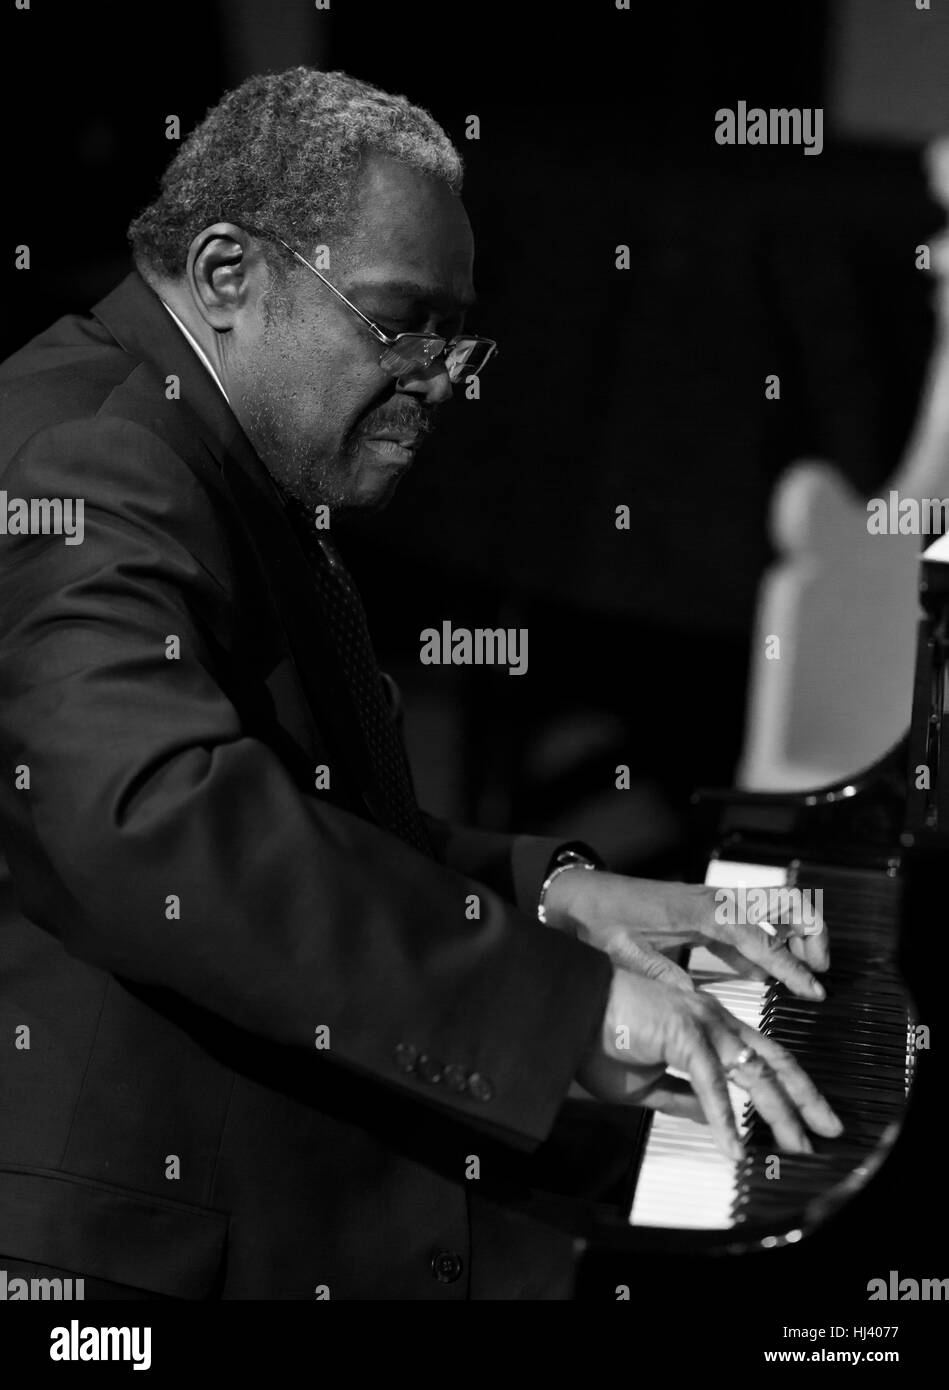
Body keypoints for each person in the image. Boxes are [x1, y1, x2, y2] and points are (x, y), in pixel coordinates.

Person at [0, 68, 839, 1301]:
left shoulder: (191, 439)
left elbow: (292, 808)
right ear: (231, 275)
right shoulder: (88, 457)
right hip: (138, 1254)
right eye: (402, 322)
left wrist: (553, 896)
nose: (446, 376)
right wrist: (574, 1012)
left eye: (460, 332)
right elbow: (158, 822)